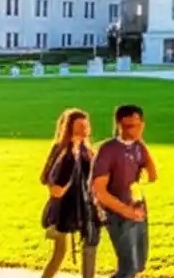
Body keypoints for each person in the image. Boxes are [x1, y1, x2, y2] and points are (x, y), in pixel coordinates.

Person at [92, 105, 158, 278]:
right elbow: (99, 191)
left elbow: (153, 176)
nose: (134, 130)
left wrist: (141, 143)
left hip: (137, 209)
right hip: (117, 213)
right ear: (119, 125)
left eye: (138, 125)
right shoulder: (108, 150)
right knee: (128, 267)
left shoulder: (138, 146)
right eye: (129, 126)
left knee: (139, 264)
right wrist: (125, 210)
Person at [40, 108, 100, 278]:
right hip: (63, 209)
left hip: (82, 206)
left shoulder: (86, 150)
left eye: (86, 125)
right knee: (59, 254)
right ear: (70, 127)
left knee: (84, 248)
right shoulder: (60, 149)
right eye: (80, 125)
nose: (84, 129)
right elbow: (46, 178)